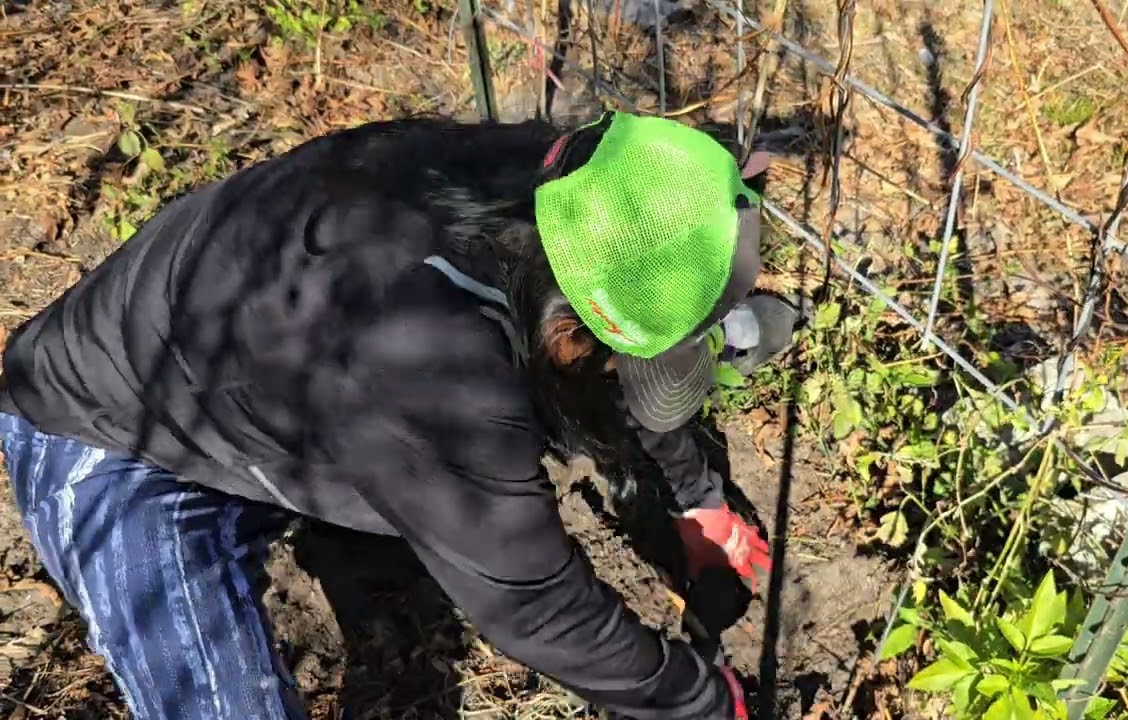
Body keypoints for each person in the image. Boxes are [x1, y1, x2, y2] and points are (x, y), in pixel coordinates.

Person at [0, 109, 801, 719]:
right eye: (600, 351)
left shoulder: (561, 185)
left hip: (248, 381)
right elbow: (535, 606)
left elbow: (637, 338)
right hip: (108, 439)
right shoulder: (429, 362)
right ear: (565, 322)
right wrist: (702, 698)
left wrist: (698, 502)